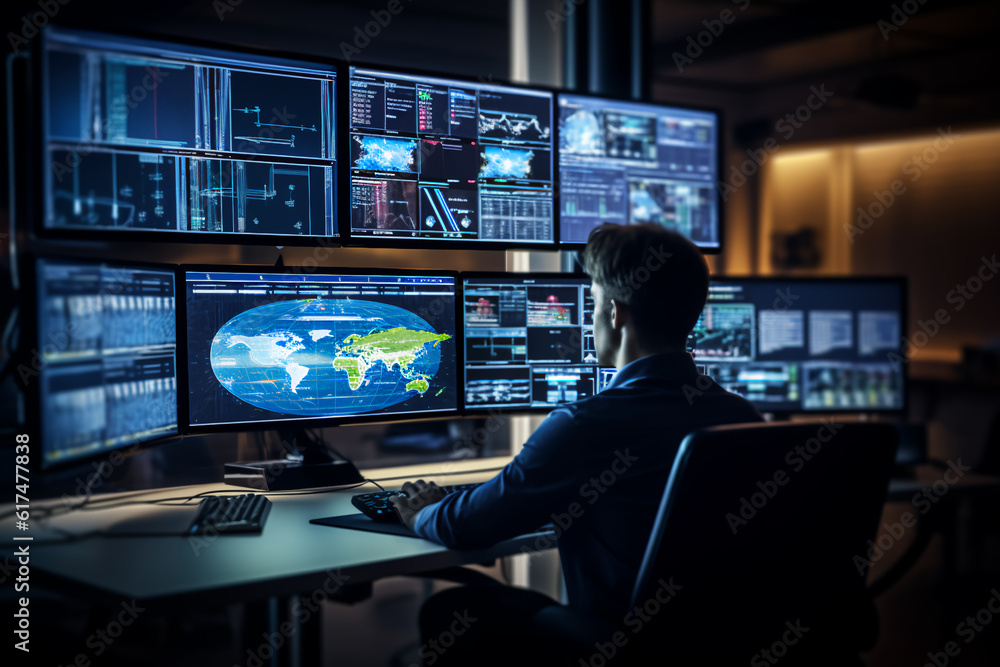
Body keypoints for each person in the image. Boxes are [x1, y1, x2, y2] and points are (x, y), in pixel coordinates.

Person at [391, 223, 762, 665]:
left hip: (623, 644)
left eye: (592, 300)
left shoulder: (584, 424)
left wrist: (424, 510)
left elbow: (468, 526)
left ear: (614, 313)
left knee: (452, 611)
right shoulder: (742, 417)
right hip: (722, 642)